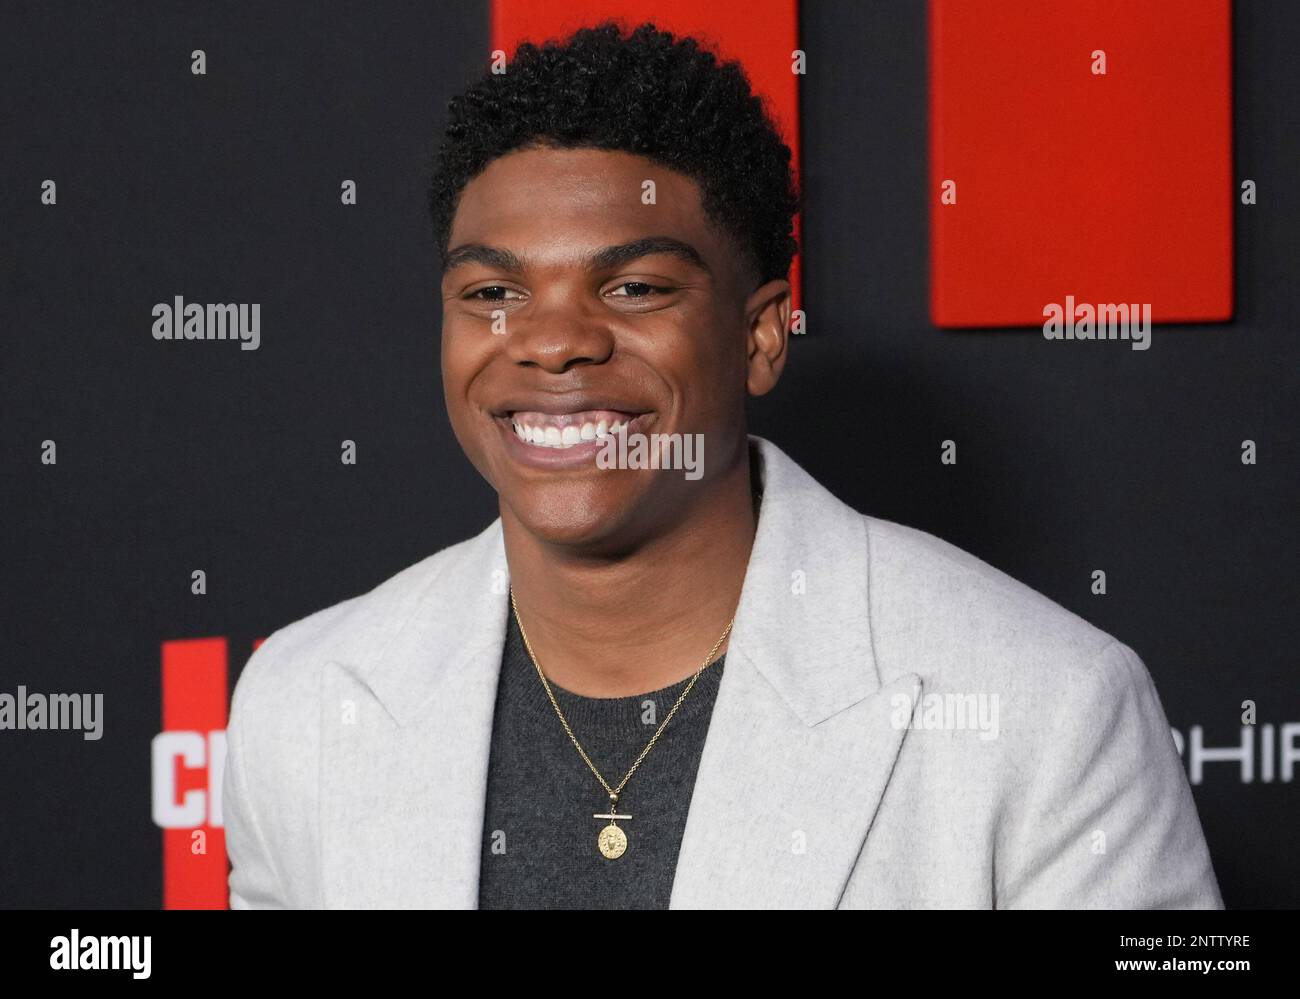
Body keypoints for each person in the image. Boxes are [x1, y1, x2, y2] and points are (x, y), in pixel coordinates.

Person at [223, 21, 1222, 909]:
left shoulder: (1048, 708)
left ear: (760, 338)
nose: (552, 340)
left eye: (635, 286)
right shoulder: (302, 703)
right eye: (492, 292)